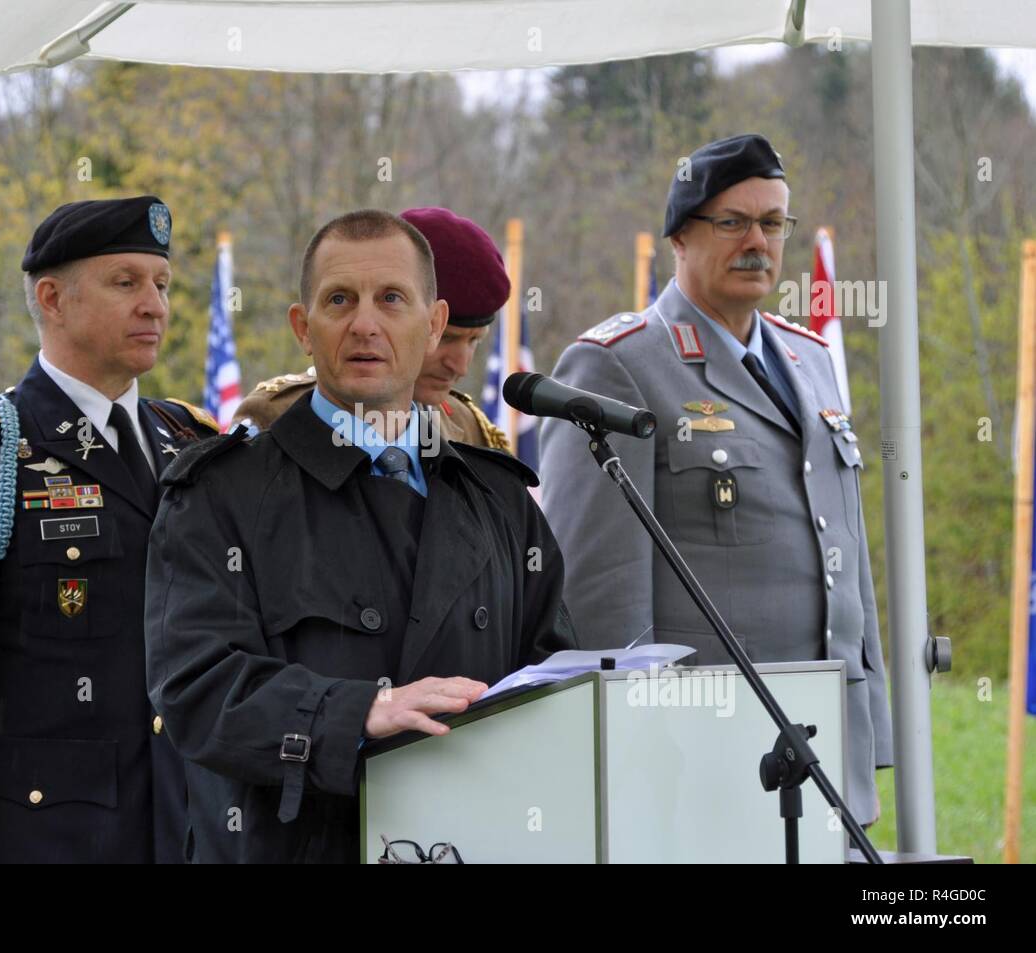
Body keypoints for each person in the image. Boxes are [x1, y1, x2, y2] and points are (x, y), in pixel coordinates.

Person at [144, 208, 577, 862]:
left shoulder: (501, 500)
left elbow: (555, 683)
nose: (365, 324)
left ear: (433, 325)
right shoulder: (218, 494)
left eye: (392, 299)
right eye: (339, 299)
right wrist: (354, 714)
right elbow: (197, 690)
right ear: (303, 326)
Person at [537, 134, 892, 827]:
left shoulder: (810, 358)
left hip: (825, 742)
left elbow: (843, 553)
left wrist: (869, 719)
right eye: (732, 222)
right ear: (679, 236)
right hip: (700, 750)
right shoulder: (618, 366)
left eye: (772, 222)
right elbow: (598, 598)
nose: (757, 241)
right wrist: (633, 750)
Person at [0, 195, 217, 862]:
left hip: (184, 833)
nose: (156, 305)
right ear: (53, 299)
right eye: (126, 282)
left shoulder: (191, 444)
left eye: (163, 284)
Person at [233, 207, 510, 450]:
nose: (459, 365)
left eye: (474, 341)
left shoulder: (468, 426)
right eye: (448, 338)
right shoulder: (276, 416)